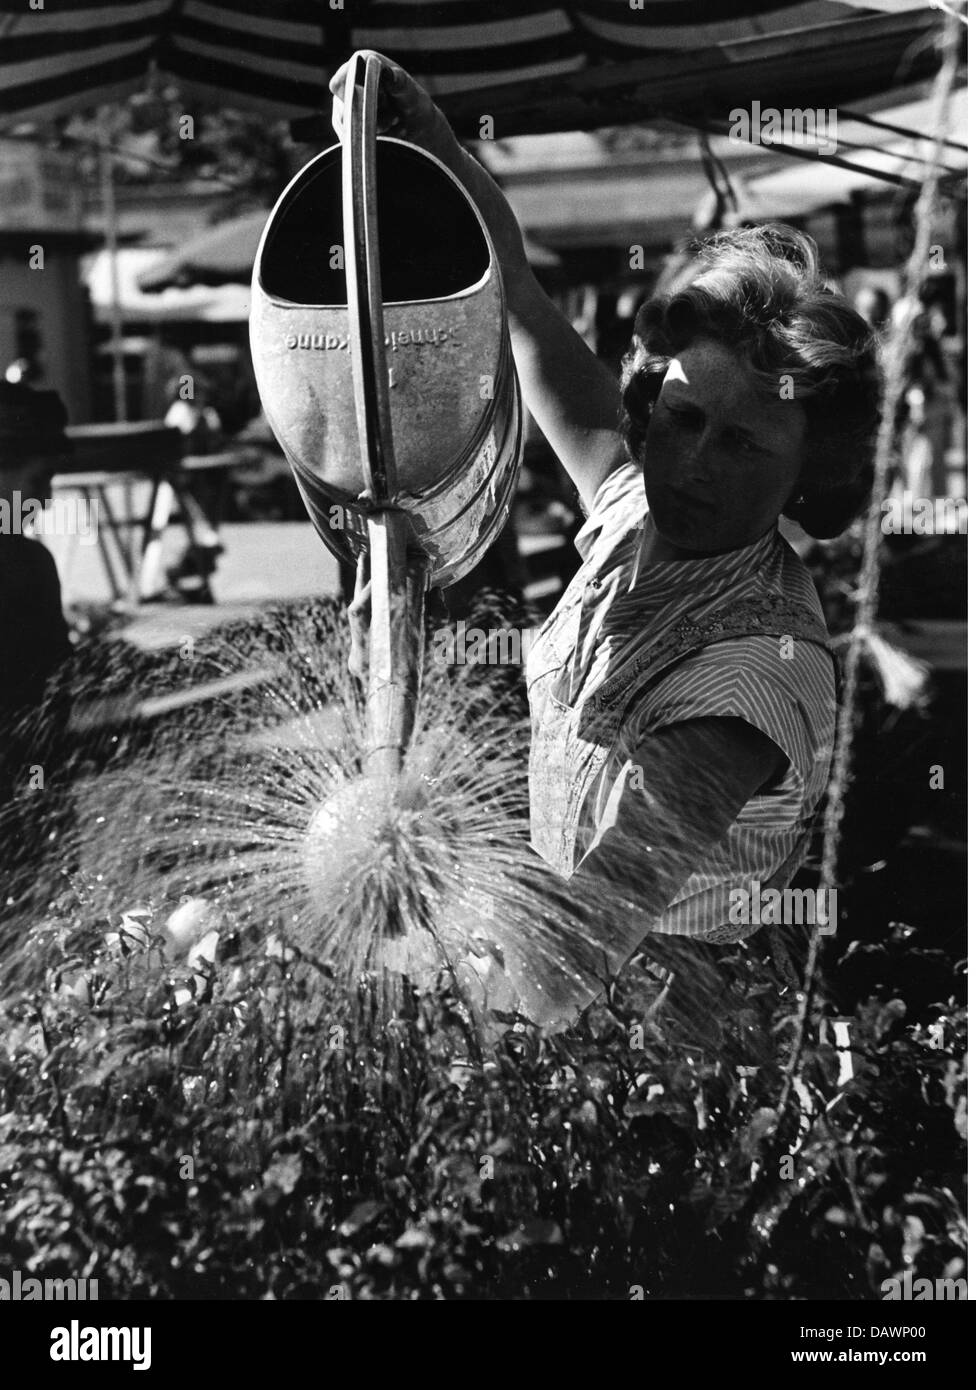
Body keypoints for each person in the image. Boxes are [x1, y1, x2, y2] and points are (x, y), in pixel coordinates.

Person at [329, 56, 882, 1028]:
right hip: (558, 979)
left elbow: (593, 921)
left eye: (744, 441)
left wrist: (401, 944)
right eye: (680, 417)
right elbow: (528, 316)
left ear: (813, 471)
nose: (696, 463)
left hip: (662, 1040)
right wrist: (436, 152)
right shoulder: (632, 504)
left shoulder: (754, 667)